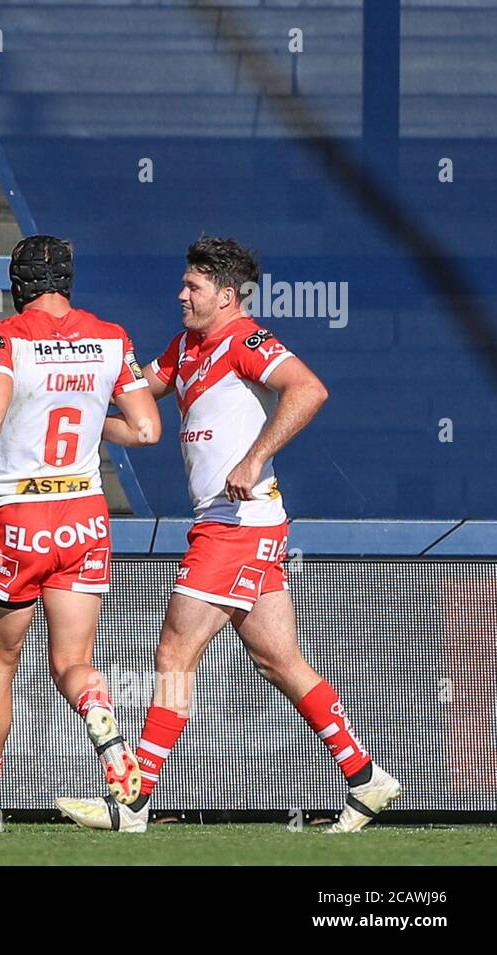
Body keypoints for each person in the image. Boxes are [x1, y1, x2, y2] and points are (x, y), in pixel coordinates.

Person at [56, 236, 401, 833]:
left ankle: (133, 800)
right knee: (280, 662)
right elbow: (138, 402)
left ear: (226, 293)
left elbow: (310, 389)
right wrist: (71, 406)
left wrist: (253, 457)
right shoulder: (187, 345)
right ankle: (367, 778)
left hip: (235, 524)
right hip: (236, 523)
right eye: (183, 283)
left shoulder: (246, 339)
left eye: (193, 287)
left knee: (173, 653)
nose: (181, 294)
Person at [0, 235, 160, 833]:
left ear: (18, 285)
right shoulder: (113, 337)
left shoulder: (4, 336)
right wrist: (92, 425)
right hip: (85, 517)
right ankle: (123, 773)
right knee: (75, 665)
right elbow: (146, 429)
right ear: (68, 280)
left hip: (18, 517)